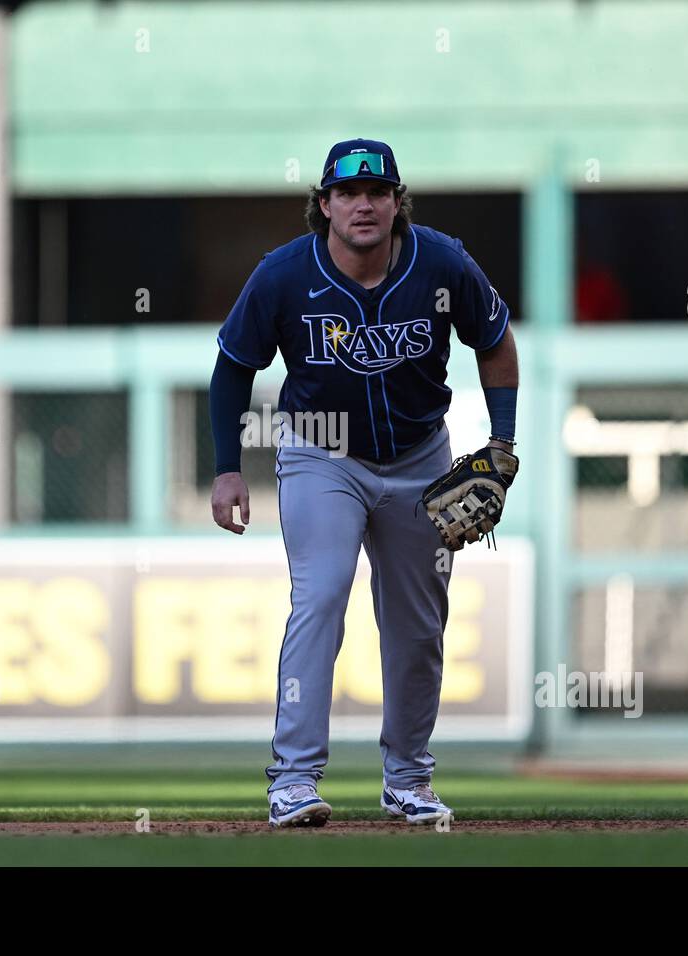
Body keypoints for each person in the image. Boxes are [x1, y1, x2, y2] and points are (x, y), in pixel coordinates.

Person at [208, 139, 520, 827]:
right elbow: (234, 364)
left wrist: (501, 442)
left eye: (378, 191)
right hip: (322, 453)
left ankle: (408, 779)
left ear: (397, 203)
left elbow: (494, 339)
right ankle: (292, 781)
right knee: (319, 598)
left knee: (418, 624)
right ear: (324, 205)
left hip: (418, 456)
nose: (363, 204)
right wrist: (228, 465)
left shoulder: (440, 262)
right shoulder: (285, 274)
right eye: (347, 193)